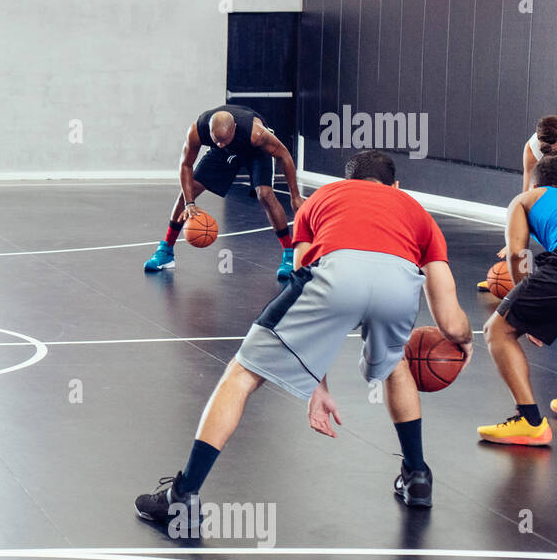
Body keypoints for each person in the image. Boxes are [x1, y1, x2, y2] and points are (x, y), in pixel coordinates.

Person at [136, 150, 472, 532]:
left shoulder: (323, 199)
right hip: (398, 285)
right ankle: (417, 476)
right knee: (397, 366)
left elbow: (302, 278)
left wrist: (317, 382)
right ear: (395, 186)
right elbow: (448, 316)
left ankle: (183, 496)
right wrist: (464, 340)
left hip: (336, 274)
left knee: (241, 375)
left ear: (347, 182)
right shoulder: (416, 211)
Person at [143, 104, 306, 282]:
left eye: (223, 140)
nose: (219, 143)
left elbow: (285, 156)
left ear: (234, 128)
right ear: (211, 131)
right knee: (188, 191)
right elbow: (185, 165)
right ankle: (165, 251)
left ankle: (289, 254)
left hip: (254, 151)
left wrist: (295, 195)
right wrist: (190, 203)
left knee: (265, 194)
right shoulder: (198, 131)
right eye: (216, 140)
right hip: (224, 153)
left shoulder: (257, 134)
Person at [477, 156, 557, 445]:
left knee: (497, 331)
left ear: (536, 182)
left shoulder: (525, 198)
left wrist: (524, 309)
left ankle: (529, 422)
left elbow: (517, 254)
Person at [476, 115, 557, 344]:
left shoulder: (531, 198)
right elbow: (528, 187)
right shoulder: (532, 150)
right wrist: (515, 233)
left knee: (497, 332)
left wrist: (531, 308)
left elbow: (518, 253)